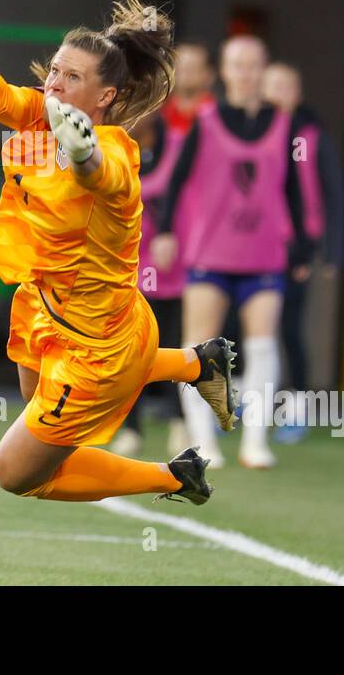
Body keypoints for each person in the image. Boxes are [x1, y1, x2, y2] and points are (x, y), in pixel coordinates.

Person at [0, 0, 238, 507]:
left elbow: (106, 174)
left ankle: (176, 475)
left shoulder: (114, 148)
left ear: (106, 96)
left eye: (71, 78)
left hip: (97, 349)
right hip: (47, 308)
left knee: (18, 473)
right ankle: (195, 365)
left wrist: (85, 154)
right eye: (55, 69)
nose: (53, 83)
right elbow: (8, 99)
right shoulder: (44, 115)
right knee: (41, 432)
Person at [152, 34, 324, 469]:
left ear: (263, 71)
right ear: (224, 72)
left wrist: (303, 246)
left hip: (263, 255)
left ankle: (255, 442)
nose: (246, 72)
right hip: (210, 253)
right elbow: (176, 180)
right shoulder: (205, 122)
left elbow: (293, 189)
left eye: (253, 64)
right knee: (199, 348)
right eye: (237, 64)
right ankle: (204, 440)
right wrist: (167, 230)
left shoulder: (285, 125)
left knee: (263, 346)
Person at [110, 42, 217, 459]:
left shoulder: (180, 142)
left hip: (176, 263)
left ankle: (178, 421)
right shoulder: (113, 148)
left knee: (177, 345)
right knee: (129, 350)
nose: (141, 113)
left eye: (149, 103)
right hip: (129, 267)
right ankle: (131, 427)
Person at [261, 60, 344, 443]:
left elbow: (332, 192)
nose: (276, 93)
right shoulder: (253, 131)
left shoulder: (309, 135)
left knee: (290, 329)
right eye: (270, 85)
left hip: (296, 250)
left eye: (284, 86)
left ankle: (297, 409)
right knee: (244, 328)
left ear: (297, 93)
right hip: (252, 247)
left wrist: (331, 251)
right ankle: (245, 404)